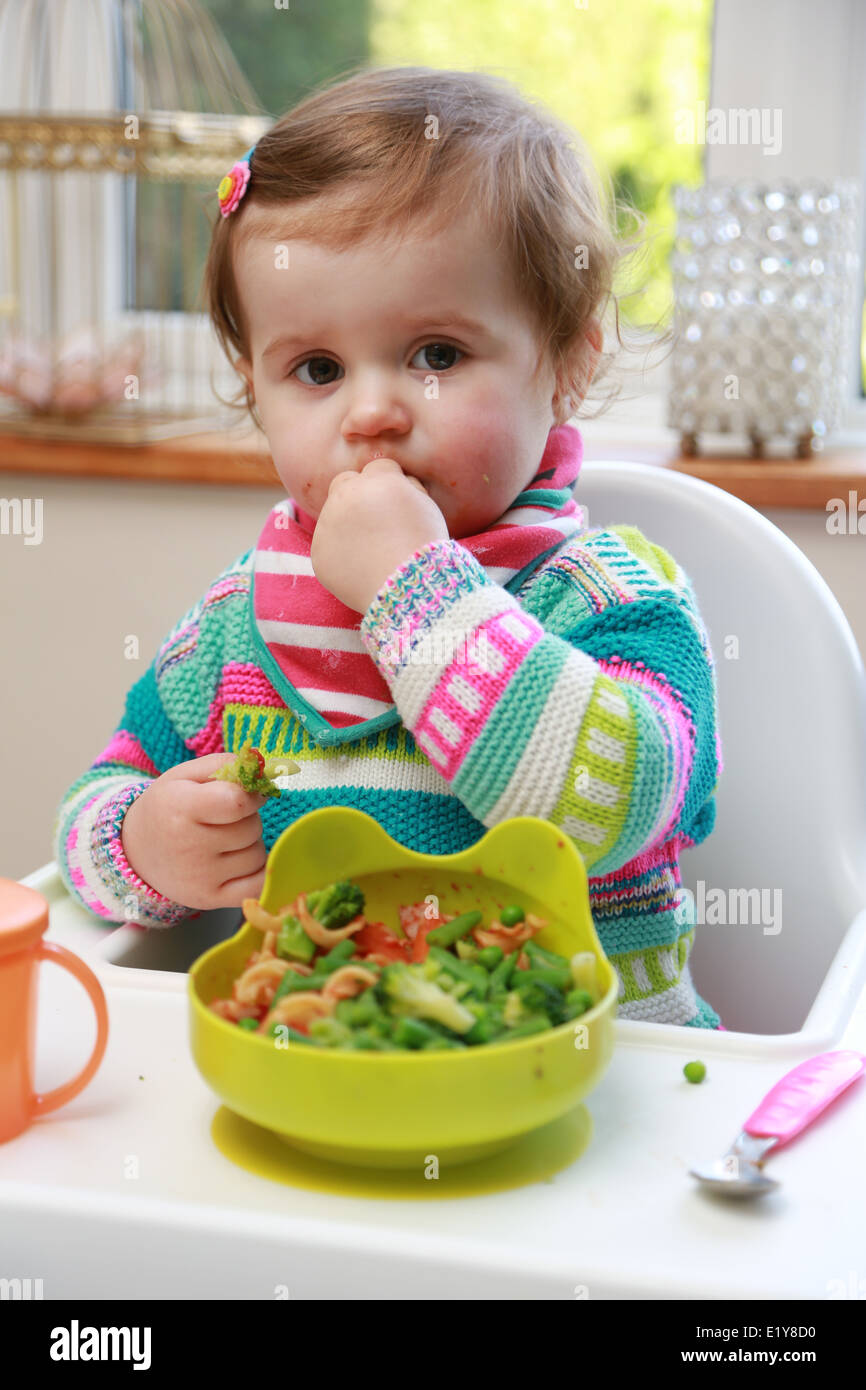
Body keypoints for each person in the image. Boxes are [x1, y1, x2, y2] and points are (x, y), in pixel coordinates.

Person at [53, 66, 723, 1028]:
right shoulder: (236, 632)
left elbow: (610, 811)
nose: (371, 413)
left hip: (609, 1107)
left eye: (437, 355)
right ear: (256, 392)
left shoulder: (611, 598)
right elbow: (91, 806)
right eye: (316, 369)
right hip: (329, 1096)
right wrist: (147, 847)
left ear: (569, 362)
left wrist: (418, 595)